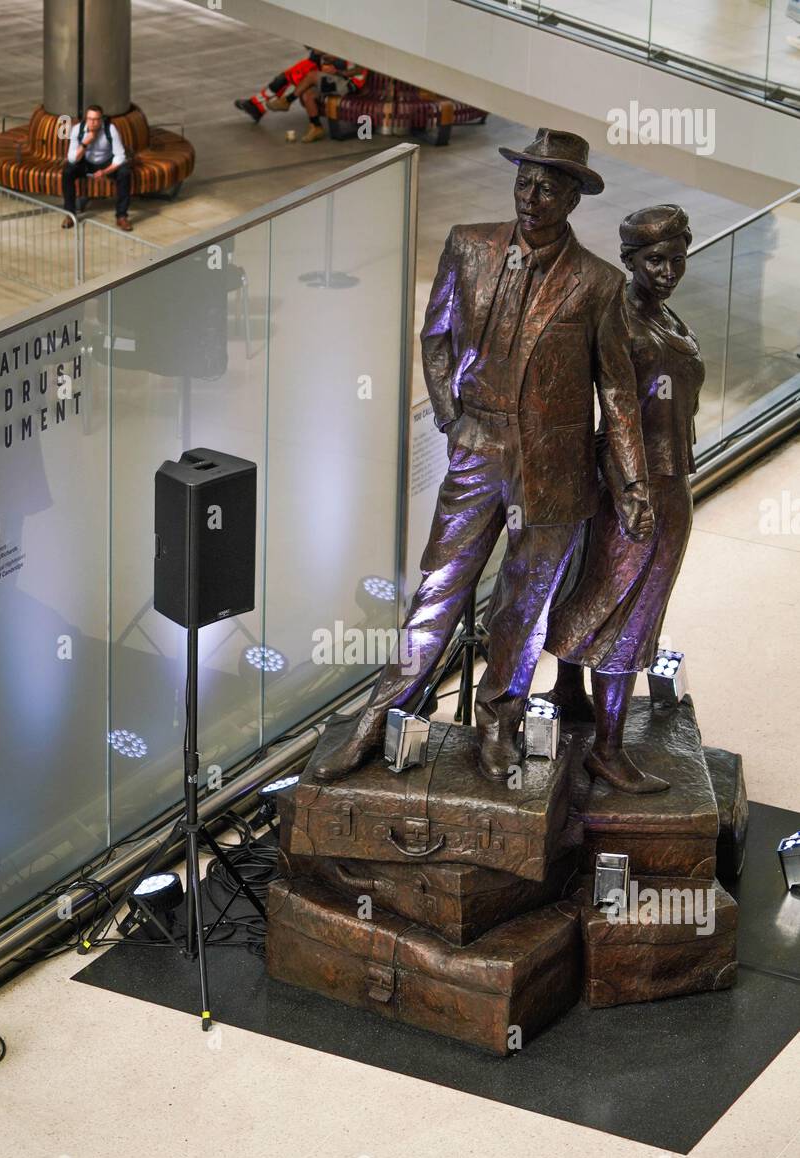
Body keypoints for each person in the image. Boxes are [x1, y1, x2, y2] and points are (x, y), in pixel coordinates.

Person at [311, 129, 652, 784]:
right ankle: (379, 717)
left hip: (553, 470)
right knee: (438, 588)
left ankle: (499, 722)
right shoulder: (468, 244)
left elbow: (616, 391)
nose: (532, 194)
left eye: (548, 185)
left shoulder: (599, 284)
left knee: (520, 608)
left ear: (573, 198)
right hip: (476, 449)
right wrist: (448, 416)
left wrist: (632, 481)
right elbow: (435, 336)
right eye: (524, 180)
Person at [544, 205, 703, 794]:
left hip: (649, 475)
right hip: (645, 483)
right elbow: (621, 413)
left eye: (676, 259)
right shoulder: (627, 322)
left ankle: (568, 693)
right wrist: (634, 489)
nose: (667, 271)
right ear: (629, 262)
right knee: (630, 613)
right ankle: (608, 752)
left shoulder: (660, 315)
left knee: (595, 587)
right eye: (653, 261)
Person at [62, 104, 132, 232]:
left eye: (96, 119)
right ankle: (70, 214)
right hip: (85, 162)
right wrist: (85, 143)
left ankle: (121, 216)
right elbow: (72, 159)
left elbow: (120, 156)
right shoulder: (77, 129)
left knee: (125, 173)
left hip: (105, 162)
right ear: (86, 119)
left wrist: (105, 171)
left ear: (101, 119)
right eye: (90, 119)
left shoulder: (110, 129)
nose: (93, 123)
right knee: (68, 172)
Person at [293, 54, 368, 143]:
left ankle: (288, 100)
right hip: (339, 80)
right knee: (307, 94)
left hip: (352, 84)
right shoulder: (343, 46)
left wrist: (337, 72)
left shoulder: (360, 49)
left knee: (312, 76)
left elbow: (359, 70)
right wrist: (329, 58)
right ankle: (316, 126)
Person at [233, 49, 320, 123]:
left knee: (285, 78)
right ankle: (258, 107)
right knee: (283, 78)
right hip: (314, 62)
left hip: (320, 66)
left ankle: (255, 105)